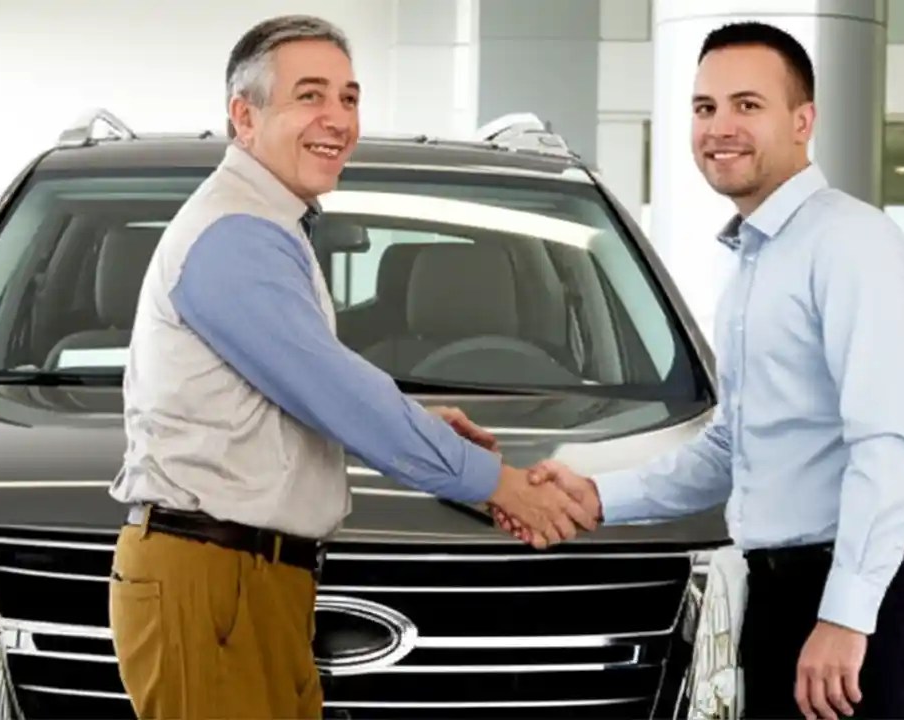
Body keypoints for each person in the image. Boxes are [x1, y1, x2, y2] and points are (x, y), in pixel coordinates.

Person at [107, 14, 596, 720]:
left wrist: (417, 425)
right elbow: (336, 392)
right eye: (310, 95)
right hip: (213, 579)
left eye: (350, 96)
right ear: (245, 117)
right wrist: (501, 485)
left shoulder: (266, 225)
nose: (337, 118)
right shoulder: (233, 237)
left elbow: (287, 399)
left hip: (249, 580)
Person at [494, 21, 904, 720]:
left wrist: (847, 617)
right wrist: (595, 497)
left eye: (746, 105)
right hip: (780, 595)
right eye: (705, 108)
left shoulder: (851, 244)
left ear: (803, 120)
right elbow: (733, 450)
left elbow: (892, 446)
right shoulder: (754, 261)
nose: (720, 127)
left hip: (844, 597)